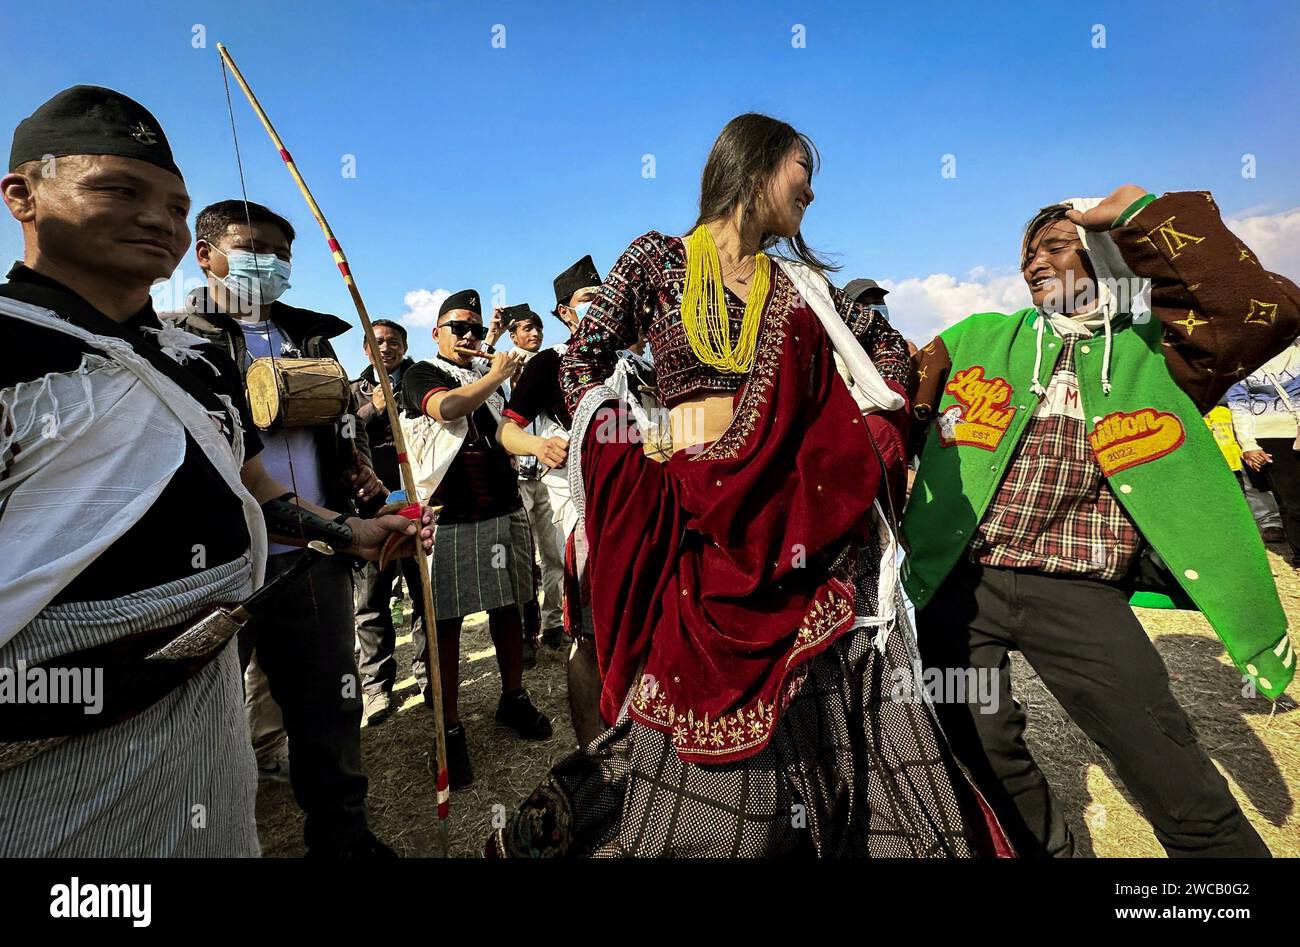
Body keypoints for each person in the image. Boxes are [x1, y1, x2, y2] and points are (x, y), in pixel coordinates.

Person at [488, 113, 1008, 858]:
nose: (813, 194)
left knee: (840, 711)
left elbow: (887, 349)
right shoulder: (658, 260)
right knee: (711, 751)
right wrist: (641, 450)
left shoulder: (804, 285)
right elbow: (582, 363)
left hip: (806, 526)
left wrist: (877, 435)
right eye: (805, 171)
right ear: (758, 164)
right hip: (703, 532)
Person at [0, 85, 427, 857]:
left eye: (171, 203)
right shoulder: (13, 350)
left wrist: (352, 527)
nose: (154, 219)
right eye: (119, 190)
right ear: (23, 196)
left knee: (313, 725)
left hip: (205, 742)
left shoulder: (192, 364)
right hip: (51, 771)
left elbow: (257, 489)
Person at [905, 185, 1300, 857]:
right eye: (1027, 254)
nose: (1034, 263)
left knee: (1164, 764)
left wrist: (1141, 214)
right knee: (976, 745)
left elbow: (1263, 311)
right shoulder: (978, 339)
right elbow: (889, 388)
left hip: (1079, 587)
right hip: (963, 584)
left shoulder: (1158, 351)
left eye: (1056, 247)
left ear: (1104, 258)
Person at [170, 198, 395, 856]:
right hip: (223, 564)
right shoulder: (178, 340)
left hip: (315, 556)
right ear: (205, 254)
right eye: (252, 248)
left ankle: (343, 837)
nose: (270, 264)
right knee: (205, 722)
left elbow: (339, 425)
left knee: (331, 708)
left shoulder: (311, 338)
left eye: (283, 255)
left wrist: (356, 469)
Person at [400, 289, 553, 789]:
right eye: (457, 328)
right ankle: (448, 729)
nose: (467, 337)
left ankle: (513, 698)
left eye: (473, 328)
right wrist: (496, 375)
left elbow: (506, 433)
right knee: (445, 623)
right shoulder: (420, 372)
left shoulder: (492, 380)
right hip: (450, 519)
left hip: (502, 508)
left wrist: (538, 441)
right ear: (437, 333)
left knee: (507, 605)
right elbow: (446, 410)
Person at [350, 318, 430, 725]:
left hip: (418, 507)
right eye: (378, 342)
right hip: (374, 512)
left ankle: (428, 677)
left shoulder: (423, 380)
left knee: (423, 597)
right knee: (371, 604)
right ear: (366, 349)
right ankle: (377, 688)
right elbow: (340, 435)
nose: (386, 347)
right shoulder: (350, 391)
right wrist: (371, 409)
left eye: (394, 341)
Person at [498, 303, 568, 659]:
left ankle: (554, 624)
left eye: (538, 327)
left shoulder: (557, 362)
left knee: (554, 552)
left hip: (549, 472)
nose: (535, 333)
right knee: (518, 557)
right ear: (512, 335)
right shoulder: (493, 364)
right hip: (513, 475)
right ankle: (526, 634)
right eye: (526, 328)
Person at [1228, 334, 1300, 562]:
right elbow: (1239, 407)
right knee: (1292, 501)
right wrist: (1248, 445)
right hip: (1272, 435)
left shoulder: (1296, 348)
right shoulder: (1241, 361)